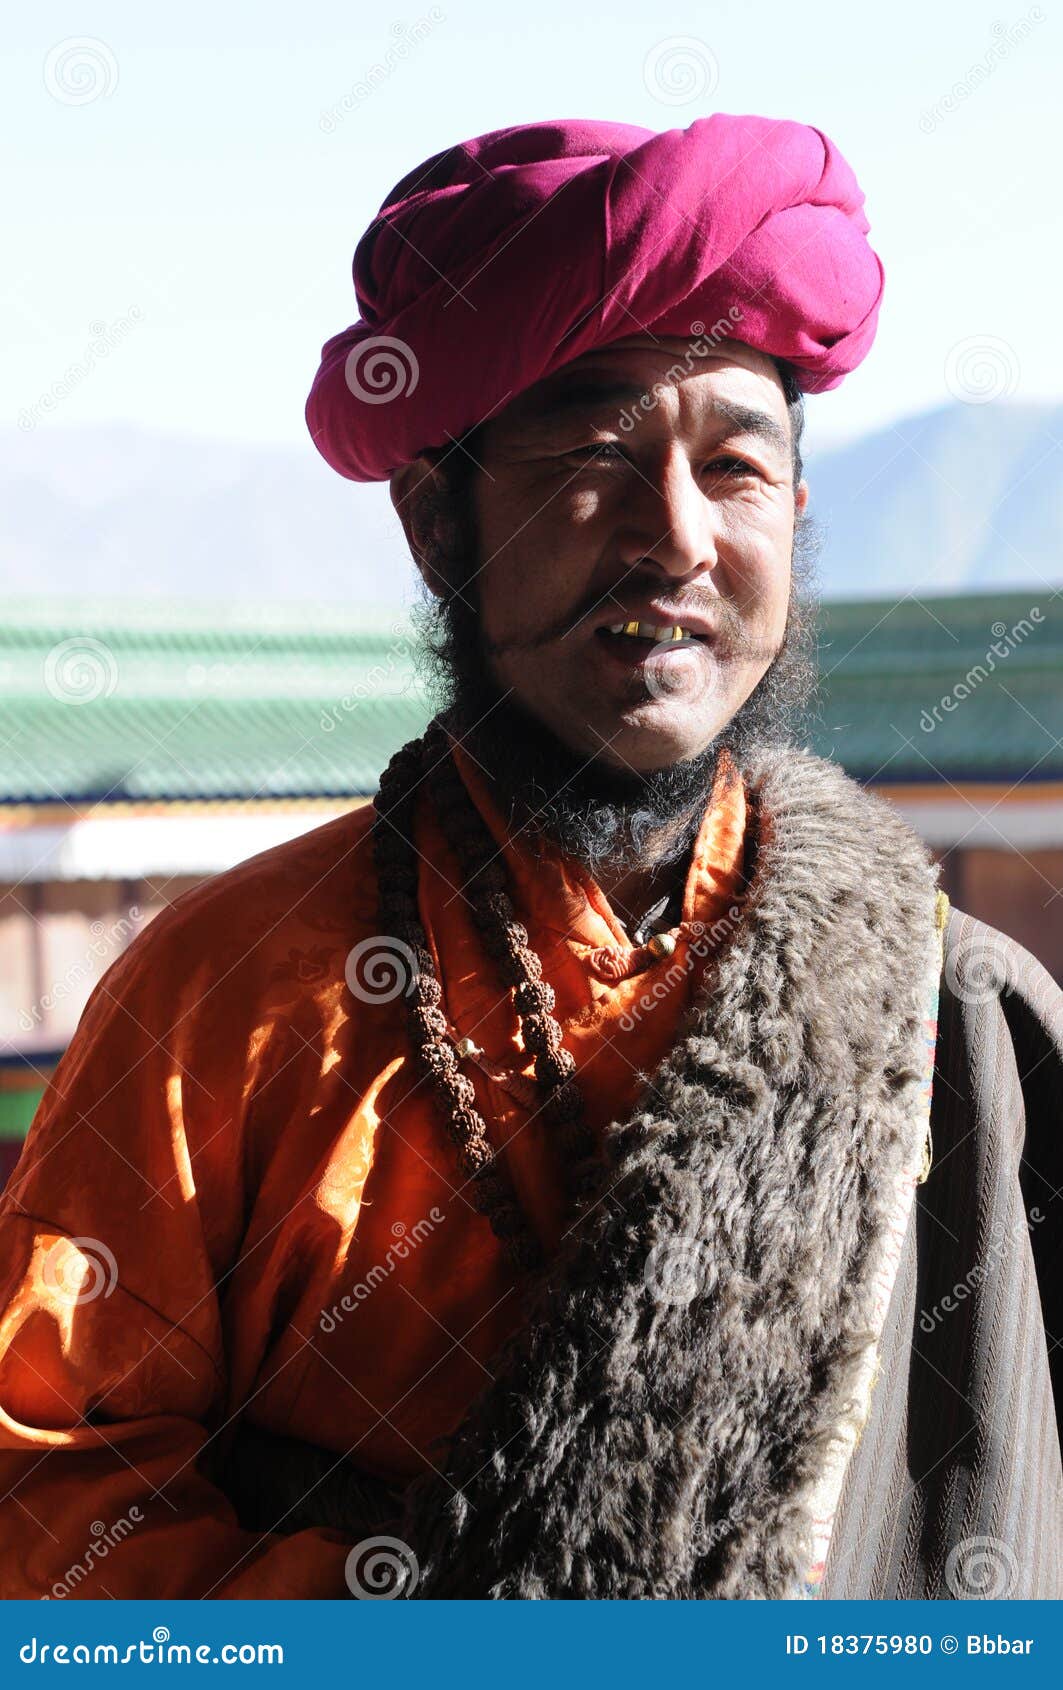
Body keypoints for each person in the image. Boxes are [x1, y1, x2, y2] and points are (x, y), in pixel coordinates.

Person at [1, 114, 1060, 1602]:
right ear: (438, 523)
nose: (678, 538)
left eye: (736, 468)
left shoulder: (958, 1020)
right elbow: (44, 1486)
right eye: (595, 455)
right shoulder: (218, 1005)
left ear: (796, 516)